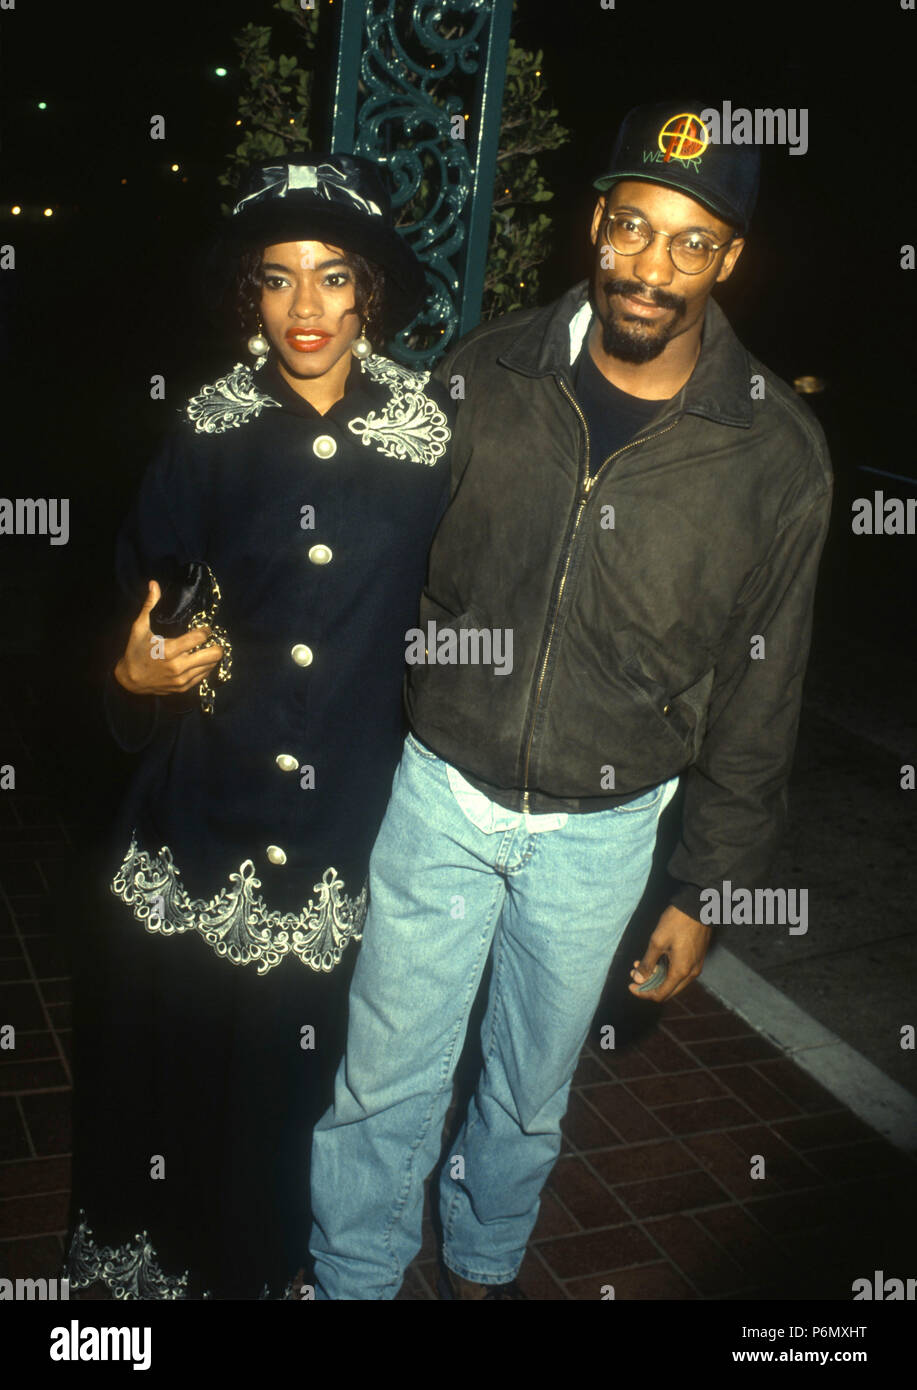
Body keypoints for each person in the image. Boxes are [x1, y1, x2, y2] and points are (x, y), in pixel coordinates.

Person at [308, 101, 833, 1300]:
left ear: (729, 258)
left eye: (688, 243)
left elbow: (763, 685)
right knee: (378, 1075)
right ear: (595, 224)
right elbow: (385, 561)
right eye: (632, 228)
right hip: (440, 788)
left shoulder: (771, 453)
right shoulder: (485, 372)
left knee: (527, 1089)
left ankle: (484, 1267)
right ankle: (351, 1277)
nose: (651, 268)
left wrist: (707, 887)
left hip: (603, 834)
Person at [63, 154, 452, 1299]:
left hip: (344, 831)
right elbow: (140, 604)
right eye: (278, 281)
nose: (307, 310)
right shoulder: (207, 426)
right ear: (250, 297)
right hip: (199, 817)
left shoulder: (428, 437)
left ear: (370, 293)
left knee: (299, 1090)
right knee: (177, 1072)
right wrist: (131, 678)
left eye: (334, 279)